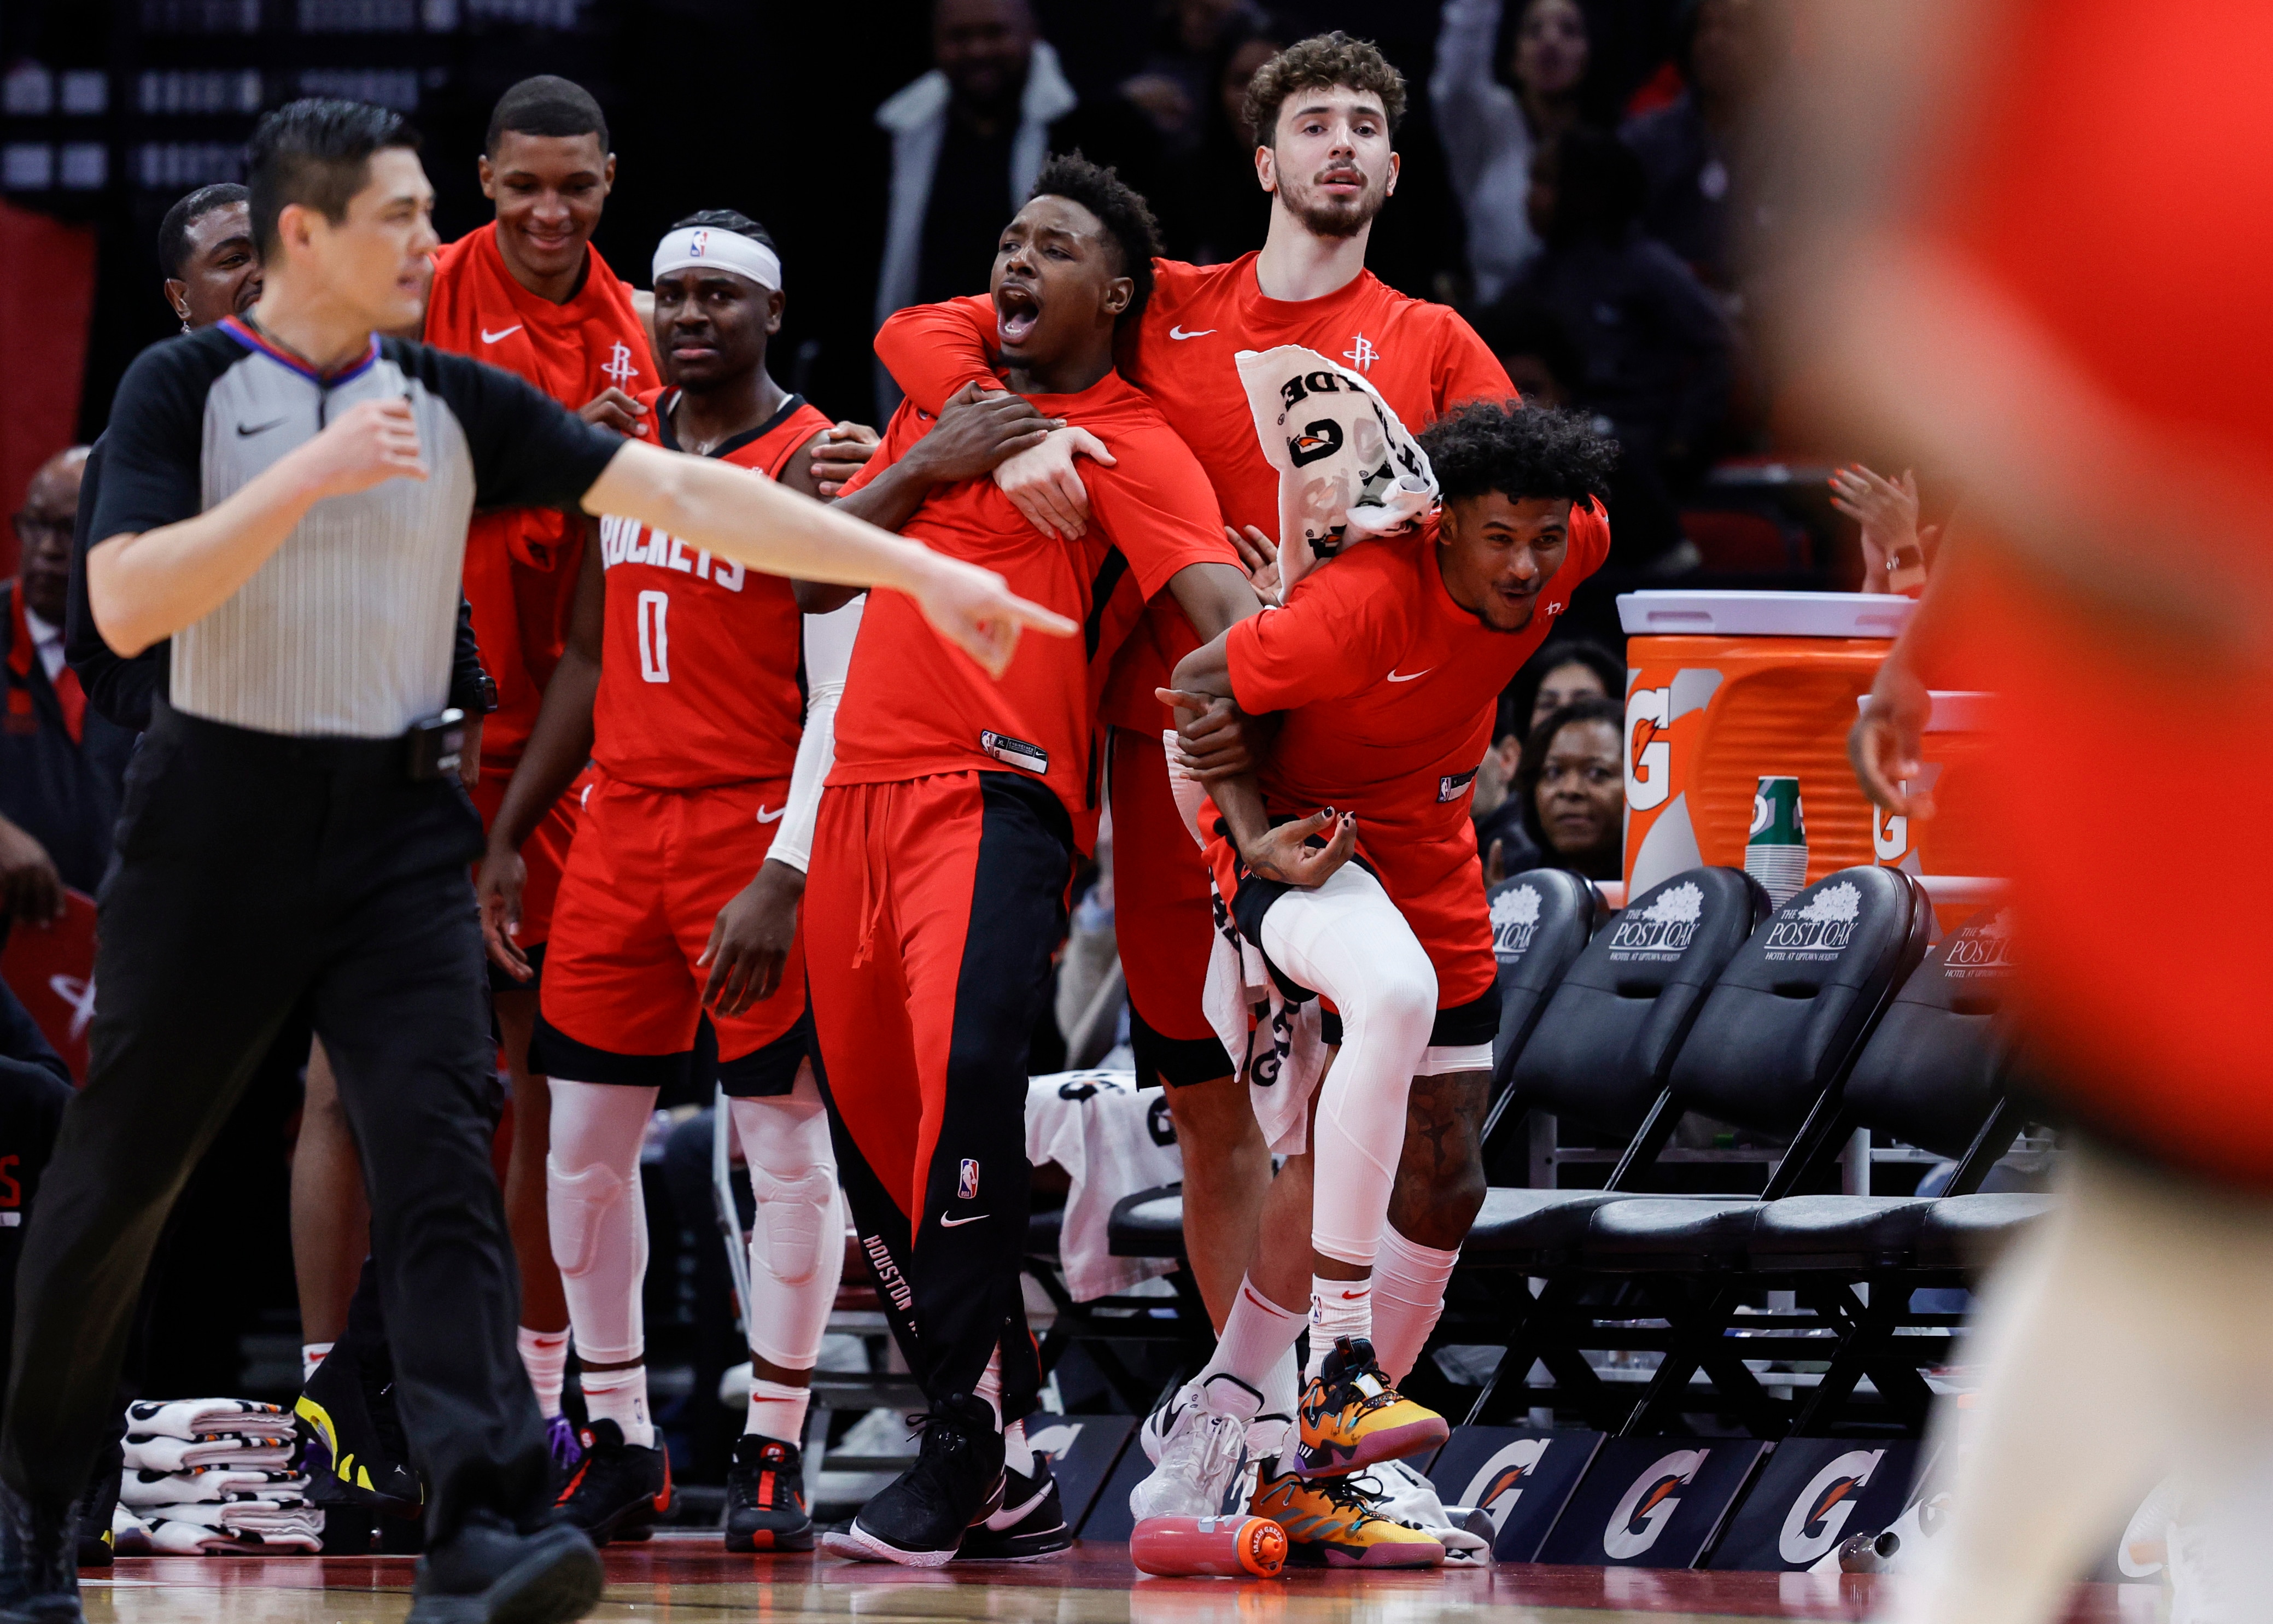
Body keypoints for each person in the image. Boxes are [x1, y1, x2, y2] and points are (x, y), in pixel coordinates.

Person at [0, 95, 1066, 1624]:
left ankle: (483, 1513)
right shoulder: (177, 391)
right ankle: (41, 1497)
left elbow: (676, 493)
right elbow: (117, 615)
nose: (434, 246)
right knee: (117, 1177)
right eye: (400, 219)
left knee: (448, 1155)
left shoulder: (441, 392)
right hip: (216, 825)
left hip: (396, 833)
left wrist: (903, 557)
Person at [872, 34, 1517, 1419]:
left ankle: (1315, 1417)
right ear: (1264, 161)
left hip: (1341, 769)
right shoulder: (1163, 304)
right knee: (1209, 1105)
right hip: (1165, 750)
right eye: (1313, 123)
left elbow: (1527, 522)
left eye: (1364, 126)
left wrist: (1373, 580)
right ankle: (1257, 1427)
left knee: (1361, 1100)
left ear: (1395, 169)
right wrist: (1009, 429)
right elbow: (921, 329)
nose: (1340, 144)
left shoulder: (1431, 342)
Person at [1787, 4, 2273, 1621]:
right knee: (2166, 1228)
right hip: (2169, 726)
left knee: (2160, 1256)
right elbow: (1868, 313)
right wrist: (1953, 635)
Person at [814, 153, 1258, 1567]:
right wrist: (939, 457)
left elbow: (1221, 608)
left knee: (962, 1099)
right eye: (1008, 240)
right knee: (871, 1138)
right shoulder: (941, 400)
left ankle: (960, 1441)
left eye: (1053, 247)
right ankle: (1005, 1478)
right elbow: (814, 568)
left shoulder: (1134, 443)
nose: (1016, 260)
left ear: (1115, 294)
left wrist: (1302, 611)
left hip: (996, 795)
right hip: (855, 795)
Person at [1147, 401, 1612, 1563]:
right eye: (1498, 538)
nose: (1525, 565)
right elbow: (1192, 691)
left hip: (1433, 850)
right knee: (1392, 999)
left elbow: (1561, 522)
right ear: (1441, 528)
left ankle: (1303, 1454)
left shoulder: (1577, 541)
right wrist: (1250, 835)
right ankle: (1339, 1367)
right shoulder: (1354, 609)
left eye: (1542, 540)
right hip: (1306, 839)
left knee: (1447, 1170)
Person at [474, 211, 853, 1553]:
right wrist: (512, 829)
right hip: (617, 832)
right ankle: (621, 1438)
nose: (691, 316)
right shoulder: (620, 457)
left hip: (751, 829)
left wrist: (787, 871)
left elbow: (841, 697)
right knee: (578, 1153)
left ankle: (774, 1444)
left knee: (782, 1147)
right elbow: (583, 658)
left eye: (718, 296)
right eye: (673, 296)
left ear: (771, 312)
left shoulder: (815, 460)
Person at [871, 0, 1160, 411]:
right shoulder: (890, 135)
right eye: (959, 37)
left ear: (1032, 33)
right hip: (924, 368)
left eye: (994, 33)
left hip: (1067, 380)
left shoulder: (1105, 128)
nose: (977, 50)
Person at [1513, 125, 1732, 564]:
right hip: (1555, 443)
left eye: (1544, 182)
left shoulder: (1647, 267)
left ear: (1582, 190)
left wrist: (1682, 440)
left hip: (1635, 448)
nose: (1529, 198)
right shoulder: (1533, 277)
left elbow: (1721, 348)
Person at [1, 449, 133, 924]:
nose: (48, 549)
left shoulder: (152, 653)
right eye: (35, 525)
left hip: (104, 940)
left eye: (70, 529)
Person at [1431, 0, 1602, 303]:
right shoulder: (1487, 129)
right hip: (1493, 319)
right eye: (1534, 30)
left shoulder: (1616, 144)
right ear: (1514, 57)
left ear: (1589, 55)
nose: (1550, 40)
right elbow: (1457, 81)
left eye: (1569, 30)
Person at [1619, 0, 1770, 293]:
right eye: (1704, 27)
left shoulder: (1793, 144)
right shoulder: (1645, 141)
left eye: (1731, 27)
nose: (1713, 40)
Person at [1510, 695, 1624, 882]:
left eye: (1597, 772)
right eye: (1554, 772)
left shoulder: (1663, 880)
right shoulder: (1516, 877)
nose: (1570, 790)